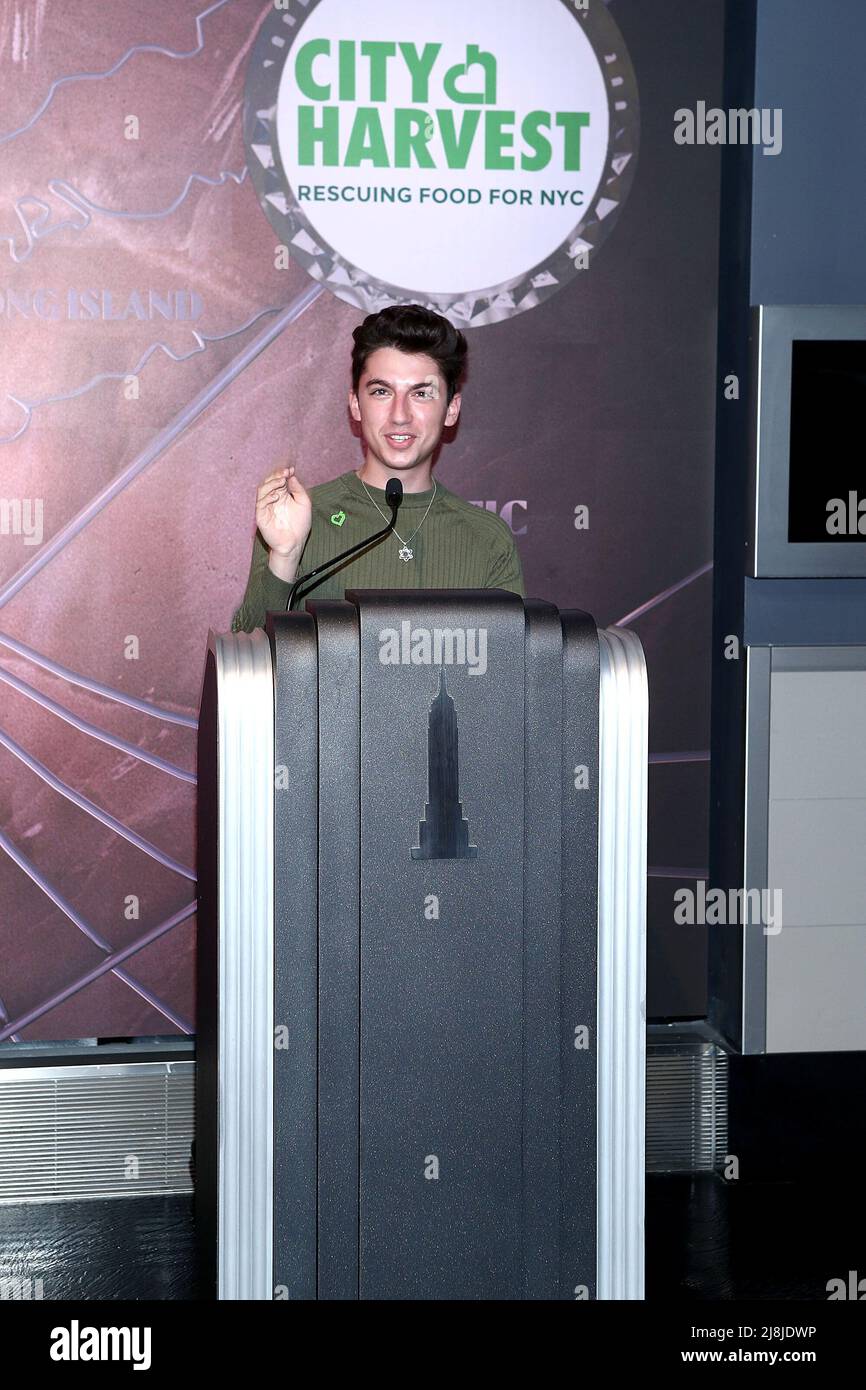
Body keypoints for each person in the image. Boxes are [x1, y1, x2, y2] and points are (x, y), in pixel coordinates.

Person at [230, 303, 525, 632]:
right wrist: (285, 555)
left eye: (421, 394)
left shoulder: (488, 540)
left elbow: (508, 673)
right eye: (382, 391)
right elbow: (246, 668)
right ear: (356, 404)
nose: (400, 414)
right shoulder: (299, 517)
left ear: (451, 409)